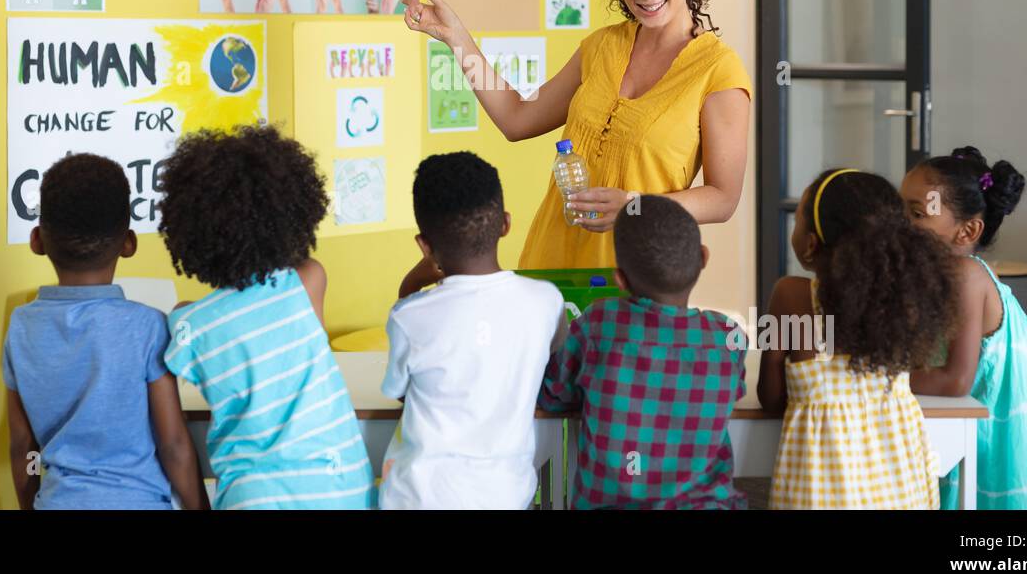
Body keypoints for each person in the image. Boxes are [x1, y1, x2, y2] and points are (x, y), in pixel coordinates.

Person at [400, 0, 751, 281]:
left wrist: (635, 205)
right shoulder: (601, 47)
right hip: (552, 261)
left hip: (639, 274)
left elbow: (723, 197)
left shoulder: (718, 69)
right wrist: (457, 40)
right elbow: (516, 118)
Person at [157, 124, 374, 509]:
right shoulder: (307, 283)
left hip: (251, 495)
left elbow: (186, 318)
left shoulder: (189, 325)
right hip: (340, 485)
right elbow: (294, 263)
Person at [3, 153, 208, 510]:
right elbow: (173, 444)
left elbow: (22, 445)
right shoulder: (148, 327)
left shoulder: (21, 328)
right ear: (128, 244)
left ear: (37, 240)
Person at [759, 168, 958, 509]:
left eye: (798, 220)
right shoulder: (902, 302)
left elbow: (772, 398)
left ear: (810, 243)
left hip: (822, 488)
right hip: (898, 478)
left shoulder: (791, 296)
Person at [379, 152, 565, 509]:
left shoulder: (409, 316)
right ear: (506, 224)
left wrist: (411, 283)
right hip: (504, 496)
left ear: (424, 245)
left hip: (417, 496)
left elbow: (401, 393)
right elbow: (552, 351)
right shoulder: (546, 301)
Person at [539, 194, 747, 508]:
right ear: (703, 257)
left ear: (619, 279)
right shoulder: (728, 337)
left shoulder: (598, 323)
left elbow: (553, 395)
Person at [901, 147, 1027, 509]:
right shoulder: (933, 277)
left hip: (1000, 442)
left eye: (916, 214)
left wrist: (873, 378)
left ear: (967, 231)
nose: (901, 224)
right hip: (967, 422)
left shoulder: (966, 277)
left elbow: (955, 381)